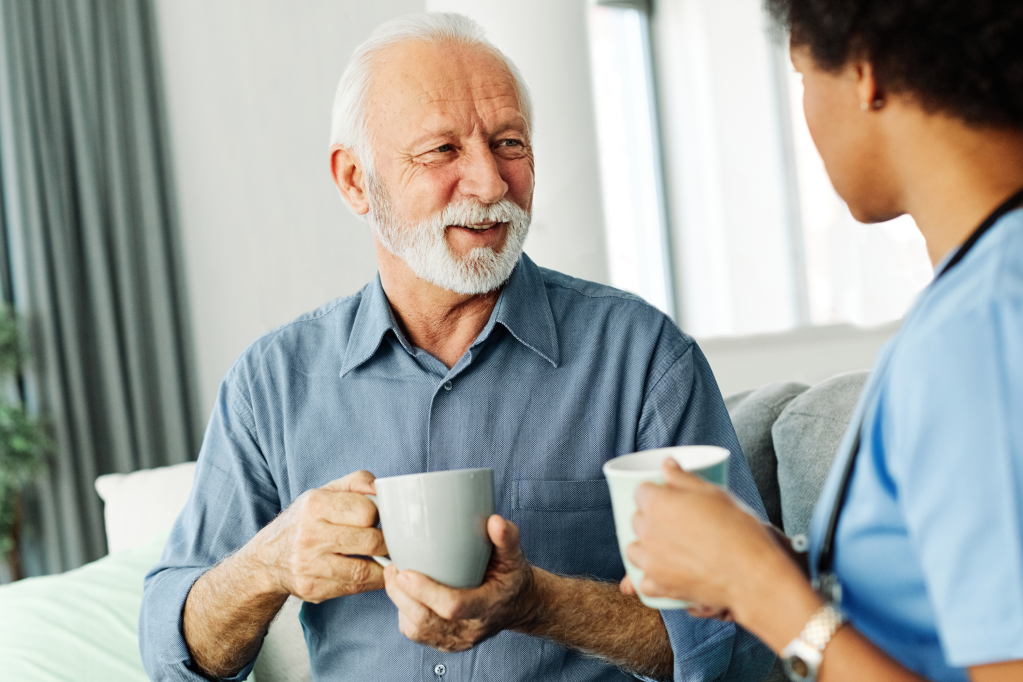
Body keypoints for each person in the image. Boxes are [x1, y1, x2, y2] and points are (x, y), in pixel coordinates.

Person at [139, 12, 773, 682]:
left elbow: (745, 642)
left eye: (508, 144)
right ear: (355, 180)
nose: (491, 185)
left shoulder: (640, 358)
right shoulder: (272, 383)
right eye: (441, 150)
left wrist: (538, 604)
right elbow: (172, 659)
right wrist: (265, 565)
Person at [624, 1, 1023, 682]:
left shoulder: (976, 328)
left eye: (802, 75)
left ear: (864, 68)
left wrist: (760, 590)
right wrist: (771, 571)